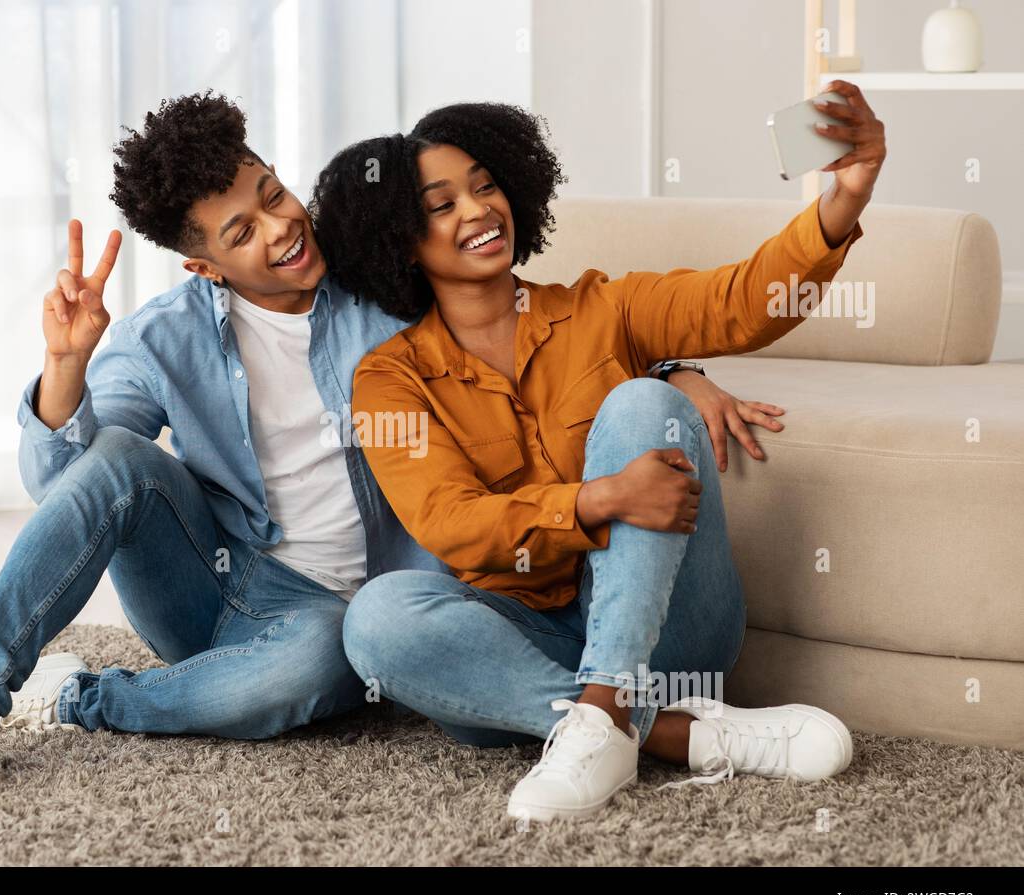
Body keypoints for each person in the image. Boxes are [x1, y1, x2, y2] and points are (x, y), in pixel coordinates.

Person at [0, 90, 796, 815]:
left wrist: (673, 370)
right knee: (112, 459)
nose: (280, 228)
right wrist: (66, 368)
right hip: (232, 592)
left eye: (272, 193)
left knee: (332, 647)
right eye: (242, 231)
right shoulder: (162, 339)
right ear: (202, 265)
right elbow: (66, 493)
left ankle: (89, 697)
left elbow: (531, 314)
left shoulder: (381, 288)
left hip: (386, 609)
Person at [318, 85, 883, 821]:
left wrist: (846, 197)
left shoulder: (599, 308)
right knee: (376, 618)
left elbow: (742, 303)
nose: (480, 210)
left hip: (673, 631)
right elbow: (451, 522)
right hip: (526, 642)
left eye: (487, 187)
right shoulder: (389, 378)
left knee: (647, 401)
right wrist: (597, 500)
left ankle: (608, 714)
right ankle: (666, 734)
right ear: (400, 240)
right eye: (443, 205)